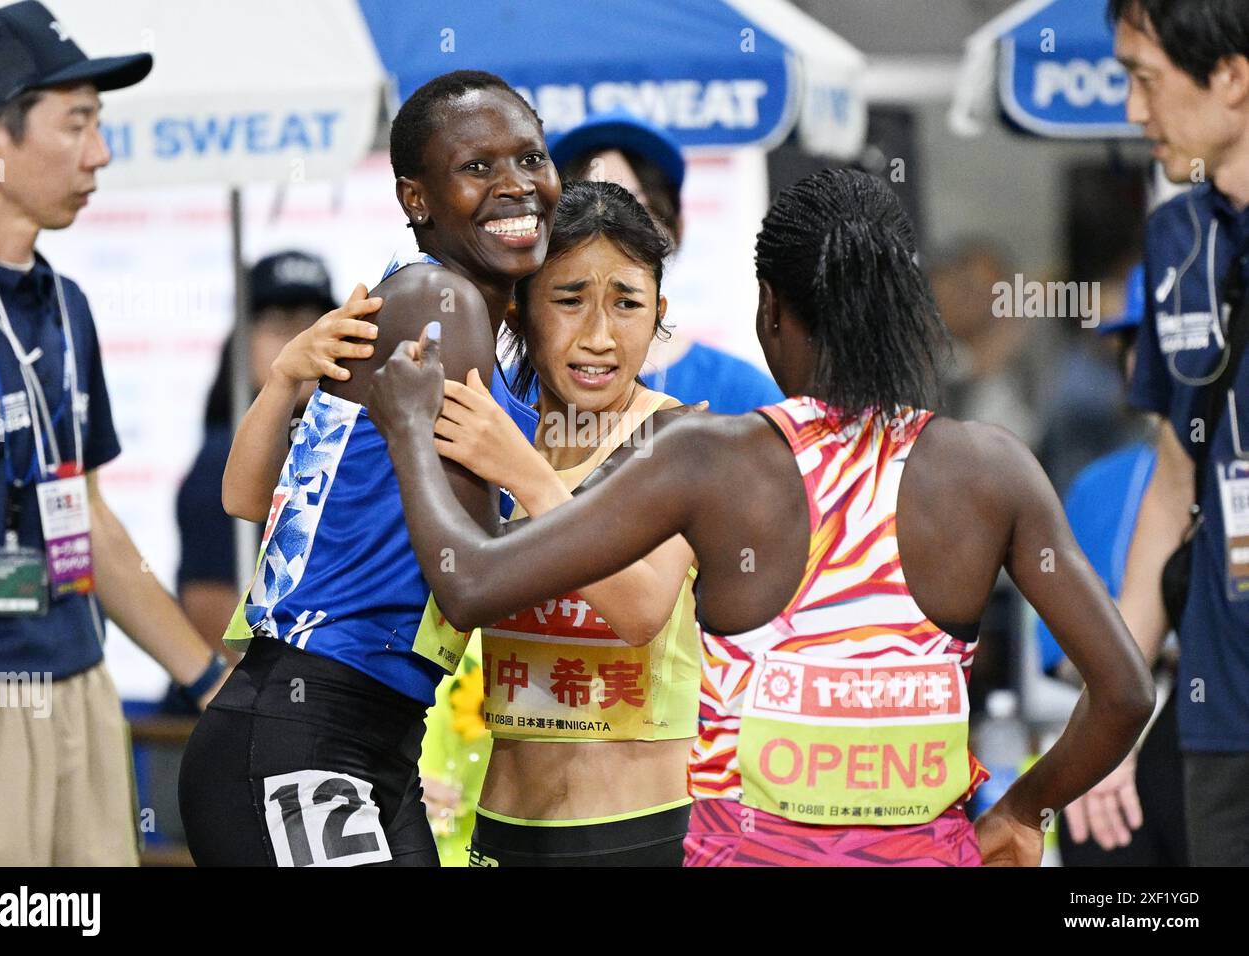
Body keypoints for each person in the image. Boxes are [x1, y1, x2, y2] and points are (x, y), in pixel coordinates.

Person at [372, 168, 1155, 867]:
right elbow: (1123, 692)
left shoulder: (708, 458)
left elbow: (470, 583)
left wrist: (410, 426)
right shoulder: (993, 469)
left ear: (770, 311)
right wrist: (1024, 808)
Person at [176, 69, 561, 867]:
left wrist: (285, 376)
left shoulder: (476, 323)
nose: (517, 185)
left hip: (367, 739)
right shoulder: (441, 306)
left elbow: (249, 499)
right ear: (415, 199)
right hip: (303, 734)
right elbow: (470, 575)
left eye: (531, 158)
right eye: (479, 168)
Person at [0, 0, 225, 866]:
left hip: (81, 688)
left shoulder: (65, 306)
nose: (100, 154)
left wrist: (211, 681)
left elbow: (90, 522)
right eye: (77, 124)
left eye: (98, 125)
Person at [451, 180, 699, 866]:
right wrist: (295, 379)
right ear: (521, 311)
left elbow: (642, 607)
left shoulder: (680, 438)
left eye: (626, 304)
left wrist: (526, 479)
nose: (598, 336)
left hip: (638, 831)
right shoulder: (493, 439)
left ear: (658, 314)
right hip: (502, 823)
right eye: (569, 300)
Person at [1102, 0, 1249, 866]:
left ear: (1231, 79)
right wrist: (1114, 712)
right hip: (1220, 721)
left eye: (1143, 79)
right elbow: (1173, 480)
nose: (1131, 110)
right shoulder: (1176, 238)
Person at [1034, 265, 1186, 865]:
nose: (1141, 363)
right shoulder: (1100, 486)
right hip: (1136, 738)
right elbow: (1067, 649)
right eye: (1131, 347)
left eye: (1155, 344)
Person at [549, 107, 783, 414]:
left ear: (676, 228)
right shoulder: (504, 397)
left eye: (630, 205)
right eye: (581, 207)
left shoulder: (746, 395)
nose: (602, 230)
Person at [175, 250, 338, 648]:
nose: (302, 341)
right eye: (280, 325)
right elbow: (208, 604)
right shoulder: (220, 458)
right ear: (241, 342)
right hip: (248, 687)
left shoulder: (349, 440)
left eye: (313, 324)